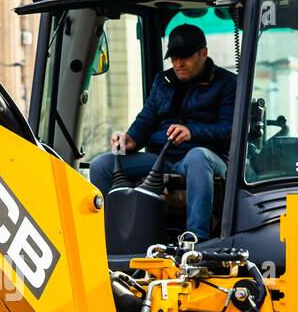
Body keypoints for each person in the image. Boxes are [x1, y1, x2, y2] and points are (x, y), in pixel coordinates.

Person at [89, 23, 237, 240]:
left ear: (203, 53)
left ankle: (196, 240)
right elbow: (146, 119)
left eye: (185, 57)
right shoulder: (163, 81)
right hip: (162, 158)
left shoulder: (227, 84)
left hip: (206, 159)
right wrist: (130, 139)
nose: (178, 64)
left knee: (197, 157)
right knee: (101, 165)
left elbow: (230, 130)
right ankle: (104, 239)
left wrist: (192, 132)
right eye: (174, 57)